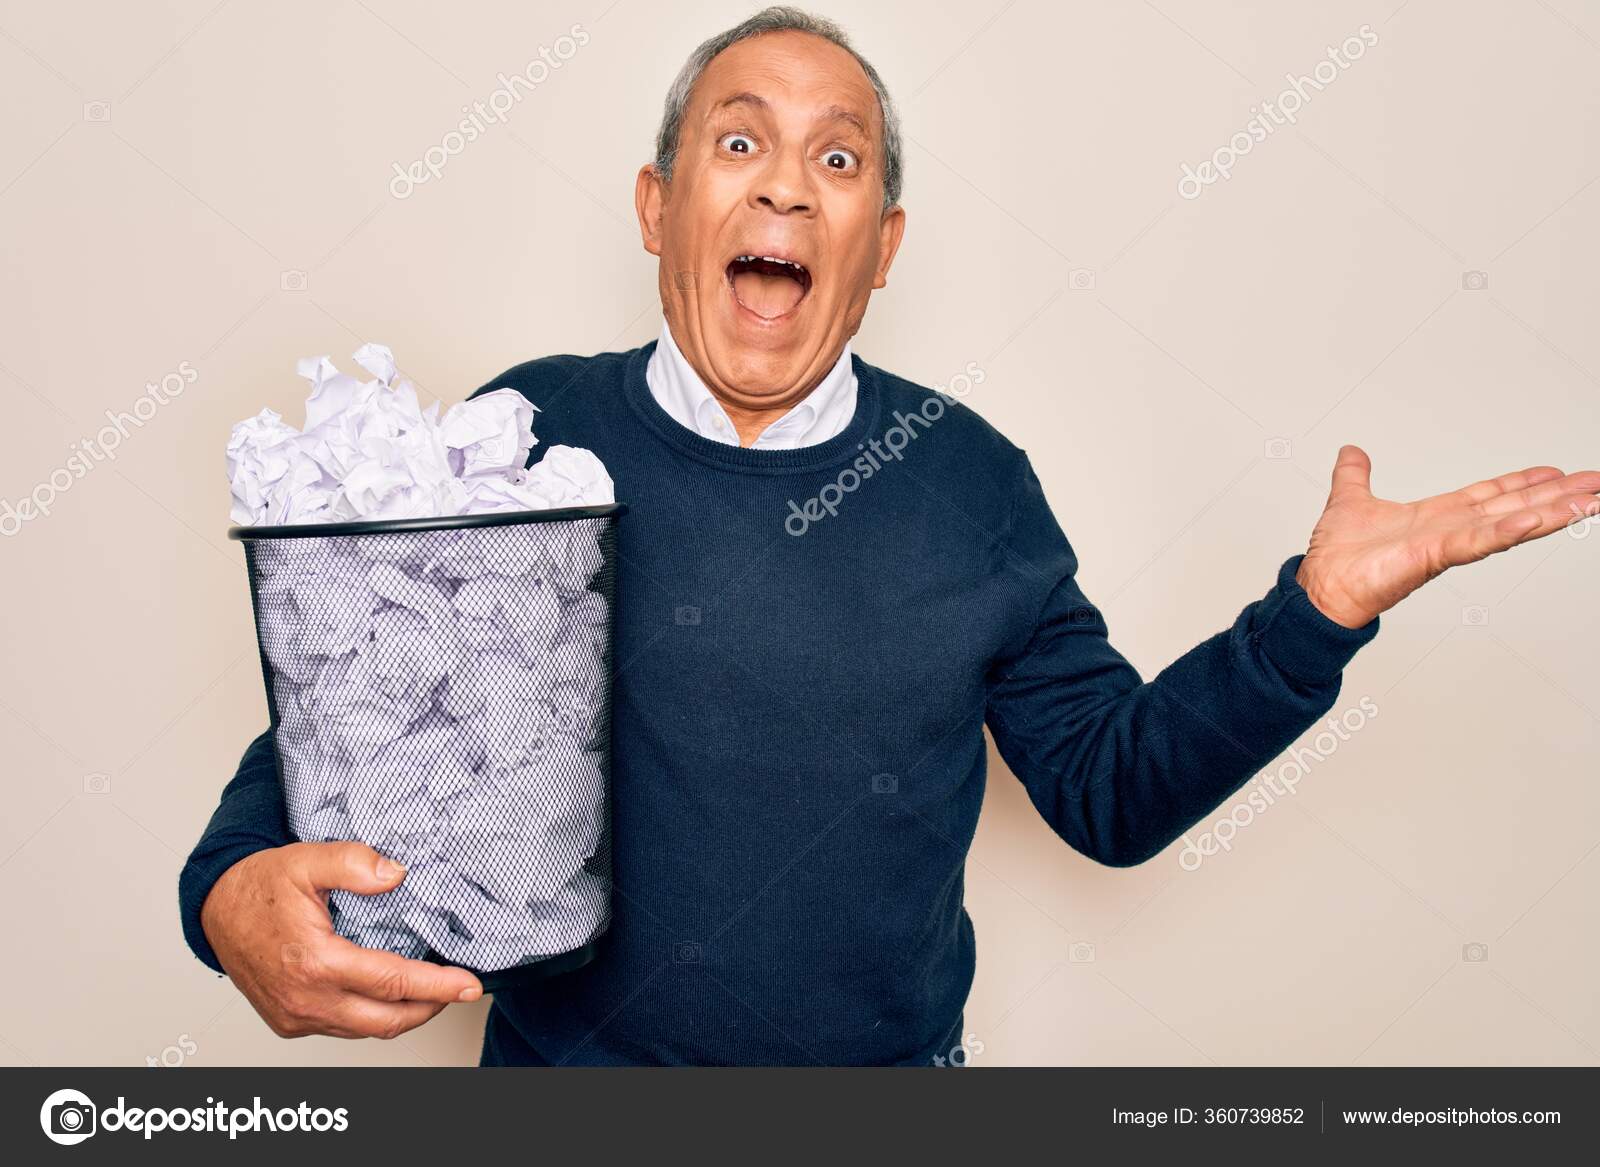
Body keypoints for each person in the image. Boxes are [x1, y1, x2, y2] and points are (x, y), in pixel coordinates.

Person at [181, 7, 1600, 1065]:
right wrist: (228, 887)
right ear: (660, 206)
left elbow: (1110, 796)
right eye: (740, 142)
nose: (786, 186)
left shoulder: (971, 485)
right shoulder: (529, 435)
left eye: (838, 158)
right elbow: (363, 707)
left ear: (883, 245)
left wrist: (1315, 617)